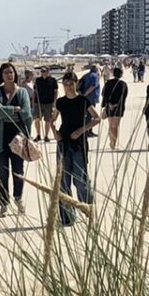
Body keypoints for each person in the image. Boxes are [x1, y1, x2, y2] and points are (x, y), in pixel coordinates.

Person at [0, 62, 32, 217]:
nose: (9, 75)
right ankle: (3, 203)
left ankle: (18, 198)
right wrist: (13, 110)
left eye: (11, 72)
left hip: (18, 136)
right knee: (2, 172)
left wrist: (4, 112)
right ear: (1, 75)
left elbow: (26, 113)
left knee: (18, 170)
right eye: (6, 72)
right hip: (1, 137)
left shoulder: (22, 92)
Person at [53, 72, 98, 223]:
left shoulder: (83, 100)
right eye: (66, 84)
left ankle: (89, 210)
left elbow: (97, 118)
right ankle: (67, 217)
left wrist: (81, 130)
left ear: (76, 83)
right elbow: (52, 120)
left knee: (80, 180)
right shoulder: (60, 102)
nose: (69, 87)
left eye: (71, 84)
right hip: (63, 142)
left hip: (79, 143)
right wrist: (54, 132)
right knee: (63, 181)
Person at [102, 64, 128, 145]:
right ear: (121, 75)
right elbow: (124, 96)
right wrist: (116, 105)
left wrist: (109, 104)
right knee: (115, 126)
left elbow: (104, 94)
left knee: (110, 125)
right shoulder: (123, 84)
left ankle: (111, 141)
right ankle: (114, 143)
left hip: (109, 106)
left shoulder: (108, 82)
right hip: (118, 107)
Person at [33, 67, 58, 142]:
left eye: (44, 71)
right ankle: (38, 135)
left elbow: (55, 92)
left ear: (48, 72)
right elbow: (35, 92)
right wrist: (33, 103)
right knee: (37, 119)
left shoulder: (53, 80)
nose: (43, 73)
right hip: (38, 103)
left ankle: (46, 136)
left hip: (48, 103)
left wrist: (54, 103)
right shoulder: (38, 80)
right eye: (42, 71)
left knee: (48, 120)